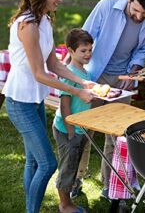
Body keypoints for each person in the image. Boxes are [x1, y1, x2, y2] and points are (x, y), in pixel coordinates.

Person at [2, 0, 94, 213]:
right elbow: (40, 73)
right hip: (19, 103)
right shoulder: (27, 25)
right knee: (47, 163)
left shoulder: (45, 20)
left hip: (36, 100)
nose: (60, 0)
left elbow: (53, 64)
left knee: (33, 161)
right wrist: (76, 92)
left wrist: (83, 82)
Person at [81, 0, 145, 198]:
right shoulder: (107, 6)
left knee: (117, 134)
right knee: (85, 129)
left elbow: (144, 49)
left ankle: (111, 186)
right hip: (95, 75)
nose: (139, 17)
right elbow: (85, 35)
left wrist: (133, 72)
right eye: (136, 10)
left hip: (123, 78)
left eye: (144, 13)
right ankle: (77, 178)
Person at [52, 28, 94, 213]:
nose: (88, 54)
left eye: (90, 50)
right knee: (68, 167)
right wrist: (70, 131)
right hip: (68, 129)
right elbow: (65, 104)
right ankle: (64, 205)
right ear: (70, 50)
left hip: (80, 129)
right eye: (83, 51)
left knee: (74, 165)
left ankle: (68, 199)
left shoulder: (85, 73)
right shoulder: (69, 74)